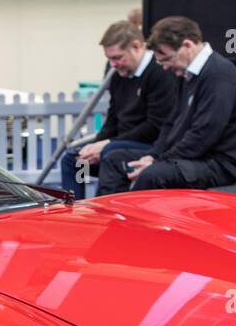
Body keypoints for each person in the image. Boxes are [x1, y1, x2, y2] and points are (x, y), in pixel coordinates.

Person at [99, 15, 236, 194]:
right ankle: (112, 219)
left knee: (151, 175)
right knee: (114, 159)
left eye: (167, 59)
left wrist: (159, 161)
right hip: (188, 158)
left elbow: (204, 134)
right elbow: (170, 124)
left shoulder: (219, 74)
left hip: (216, 164)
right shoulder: (185, 75)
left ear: (187, 46)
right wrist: (153, 154)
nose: (165, 67)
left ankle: (135, 220)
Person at [60, 20, 176, 199]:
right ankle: (76, 205)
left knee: (110, 153)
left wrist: (107, 144)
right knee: (75, 161)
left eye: (117, 57)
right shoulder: (117, 74)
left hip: (147, 146)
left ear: (136, 47)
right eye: (109, 59)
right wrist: (94, 146)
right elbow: (113, 118)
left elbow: (155, 126)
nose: (113, 64)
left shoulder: (159, 73)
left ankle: (107, 209)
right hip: (118, 142)